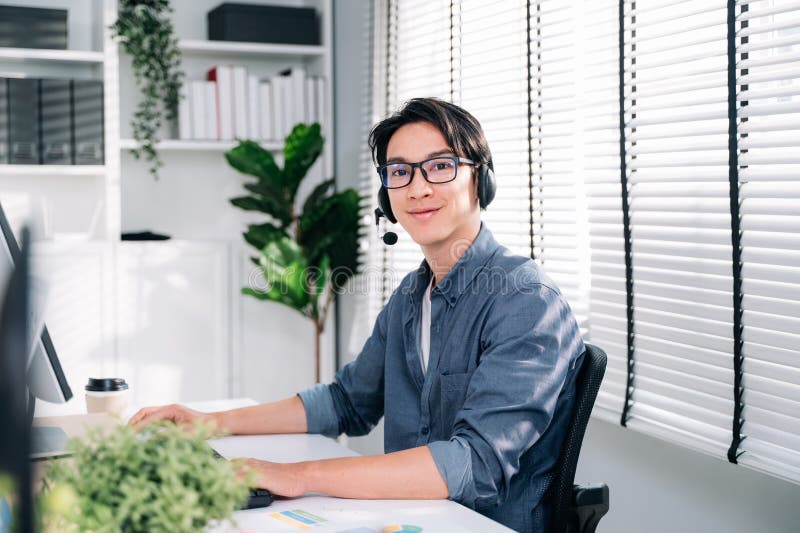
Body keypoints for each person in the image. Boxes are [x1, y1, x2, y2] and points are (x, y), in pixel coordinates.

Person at [129, 97, 585, 533]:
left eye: (441, 166)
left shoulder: (525, 299)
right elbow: (347, 401)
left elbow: (475, 464)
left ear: (479, 181)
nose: (419, 187)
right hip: (408, 516)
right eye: (400, 172)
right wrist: (207, 422)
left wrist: (299, 475)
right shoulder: (412, 295)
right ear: (387, 197)